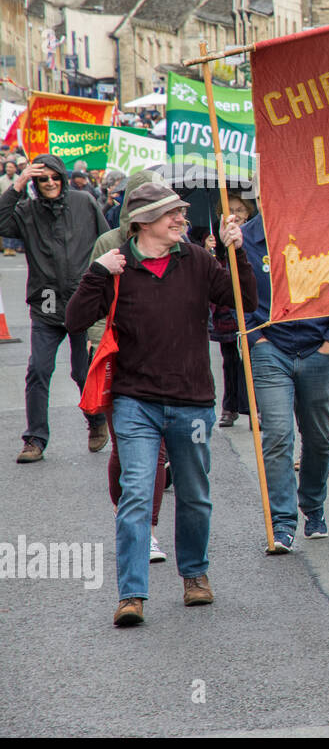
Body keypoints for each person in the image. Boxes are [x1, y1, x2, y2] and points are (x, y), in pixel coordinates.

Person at [64, 183, 256, 627]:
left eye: (181, 214)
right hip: (135, 402)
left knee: (193, 493)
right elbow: (74, 320)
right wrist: (96, 272)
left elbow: (244, 303)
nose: (180, 220)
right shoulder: (116, 266)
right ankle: (131, 594)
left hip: (191, 401)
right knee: (136, 493)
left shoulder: (198, 260)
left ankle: (194, 576)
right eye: (170, 214)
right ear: (142, 221)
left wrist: (236, 253)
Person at [241, 205, 329, 550]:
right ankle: (283, 522)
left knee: (318, 438)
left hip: (319, 348)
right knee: (277, 436)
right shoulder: (244, 238)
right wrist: (256, 339)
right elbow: (234, 294)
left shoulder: (326, 229)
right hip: (271, 347)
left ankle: (313, 506)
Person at [0, 154, 110, 462]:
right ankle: (35, 439)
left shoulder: (84, 202)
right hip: (46, 303)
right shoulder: (27, 210)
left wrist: (106, 289)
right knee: (38, 369)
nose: (49, 183)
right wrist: (18, 183)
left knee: (81, 370)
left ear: (62, 177)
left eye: (54, 177)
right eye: (42, 178)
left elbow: (105, 241)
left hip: (82, 301)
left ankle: (96, 421)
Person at [87, 170, 171, 564]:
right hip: (118, 359)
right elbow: (92, 297)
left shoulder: (174, 242)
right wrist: (98, 342)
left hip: (162, 362)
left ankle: (147, 529)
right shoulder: (109, 242)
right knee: (125, 448)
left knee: (155, 454)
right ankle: (126, 514)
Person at [212, 195, 256, 428]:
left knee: (251, 359)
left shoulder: (255, 236)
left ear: (249, 213)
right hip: (225, 309)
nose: (236, 214)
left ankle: (252, 408)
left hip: (249, 307)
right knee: (230, 359)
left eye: (241, 209)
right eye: (231, 209)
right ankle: (229, 407)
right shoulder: (214, 238)